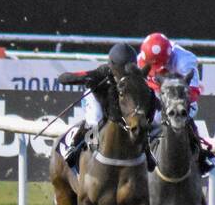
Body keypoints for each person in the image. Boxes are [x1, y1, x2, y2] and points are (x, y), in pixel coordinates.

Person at [55, 42, 153, 171]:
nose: (126, 73)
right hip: (99, 101)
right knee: (95, 119)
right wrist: (85, 79)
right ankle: (74, 147)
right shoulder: (102, 73)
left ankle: (147, 150)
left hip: (121, 108)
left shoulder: (135, 77)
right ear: (113, 66)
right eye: (123, 69)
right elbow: (64, 78)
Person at [138, 32, 215, 175]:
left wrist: (166, 91)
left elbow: (193, 94)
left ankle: (199, 154)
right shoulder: (143, 57)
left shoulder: (185, 60)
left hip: (182, 99)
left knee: (179, 114)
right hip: (155, 96)